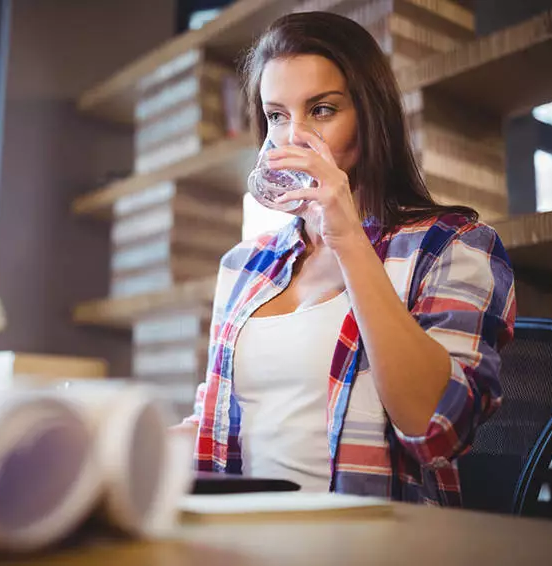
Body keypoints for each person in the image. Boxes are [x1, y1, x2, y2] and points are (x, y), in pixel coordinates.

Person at [173, 11, 516, 506]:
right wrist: (107, 442)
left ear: (369, 115)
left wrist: (349, 238)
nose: (293, 138)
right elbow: (211, 427)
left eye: (322, 110)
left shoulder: (453, 245)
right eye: (277, 115)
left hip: (374, 543)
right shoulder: (243, 265)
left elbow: (435, 427)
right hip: (243, 538)